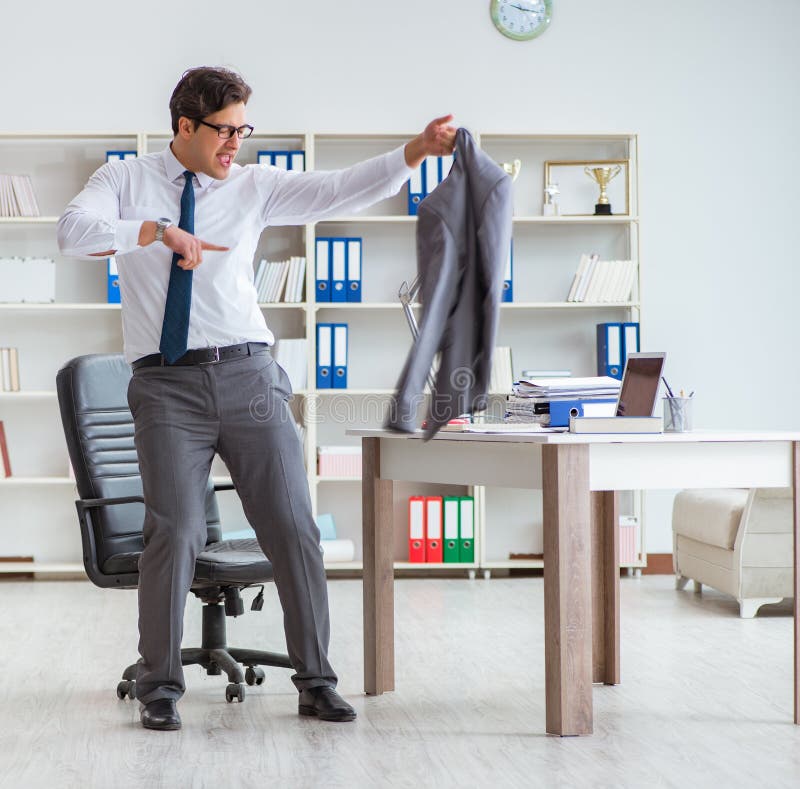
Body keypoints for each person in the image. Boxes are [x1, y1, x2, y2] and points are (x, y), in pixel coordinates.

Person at [58, 66, 456, 731]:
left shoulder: (254, 185)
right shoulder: (125, 180)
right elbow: (73, 232)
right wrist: (156, 231)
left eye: (243, 130)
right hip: (164, 385)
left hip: (248, 374)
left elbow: (337, 189)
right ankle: (160, 686)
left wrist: (412, 153)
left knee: (293, 526)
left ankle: (317, 681)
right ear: (184, 126)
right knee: (175, 530)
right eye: (223, 131)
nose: (234, 145)